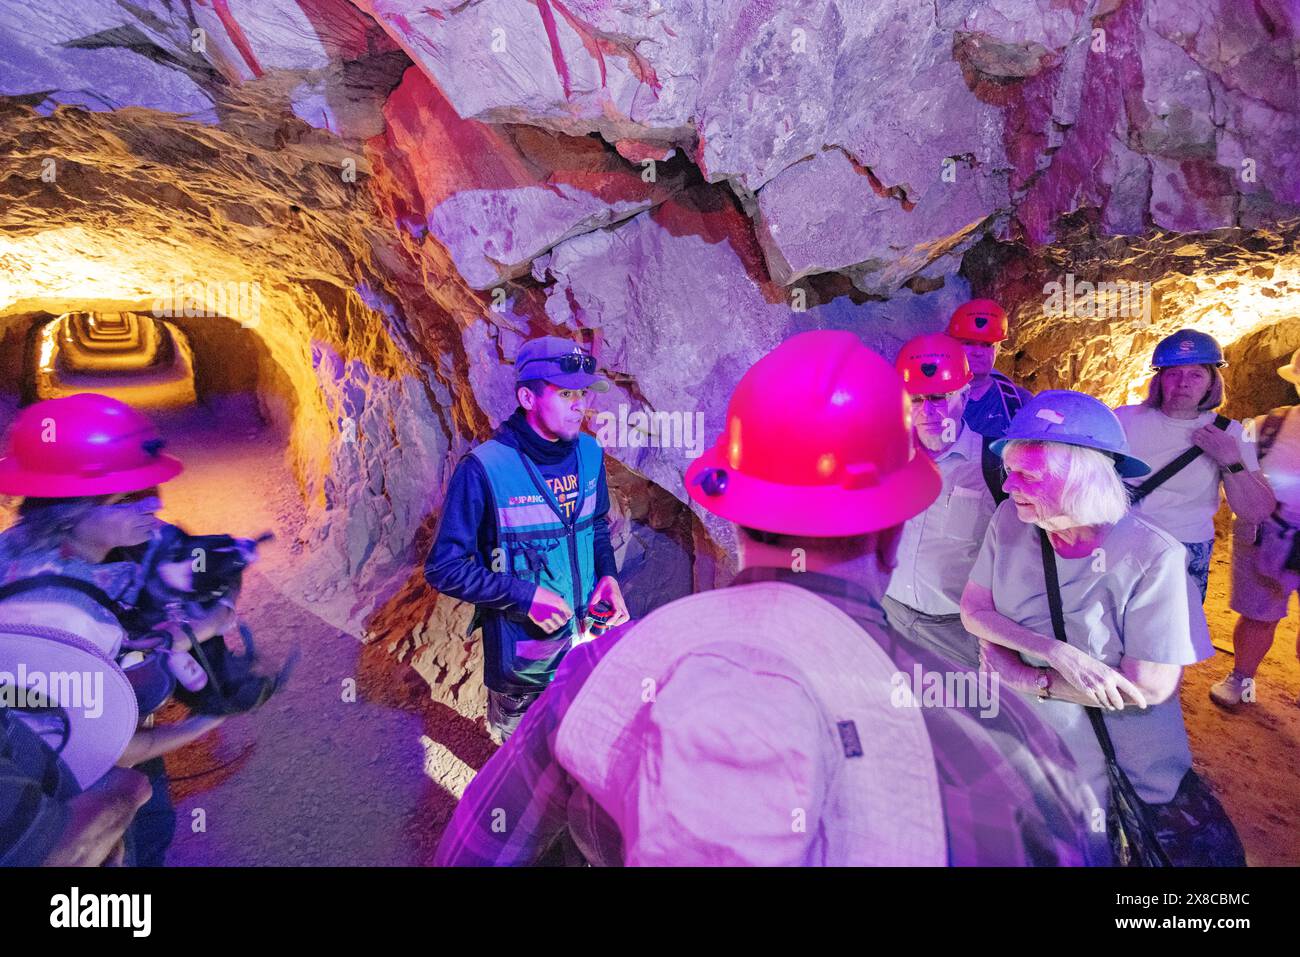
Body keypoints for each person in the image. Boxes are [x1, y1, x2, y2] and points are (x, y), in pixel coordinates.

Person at [436, 331, 1101, 867]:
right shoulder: (1017, 748)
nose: (581, 404)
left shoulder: (600, 677)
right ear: (895, 534)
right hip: (522, 650)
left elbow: (477, 848)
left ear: (734, 516)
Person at [961, 391, 1237, 865]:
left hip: (1113, 764)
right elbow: (974, 610)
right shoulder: (1012, 520)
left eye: (1028, 474)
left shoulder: (1154, 556)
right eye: (1010, 472)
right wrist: (1052, 651)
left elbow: (1147, 687)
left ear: (1081, 477)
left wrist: (1027, 678)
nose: (1009, 487)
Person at [0, 393, 245, 865]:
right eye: (129, 497)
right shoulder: (69, 617)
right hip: (72, 786)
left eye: (149, 489)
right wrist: (211, 718)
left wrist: (201, 626)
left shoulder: (19, 551)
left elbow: (110, 652)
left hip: (57, 730)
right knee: (144, 833)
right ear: (70, 511)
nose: (152, 505)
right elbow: (116, 753)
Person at [425, 337, 628, 742]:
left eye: (583, 392)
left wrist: (608, 576)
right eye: (566, 392)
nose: (580, 404)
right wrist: (525, 597)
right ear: (527, 397)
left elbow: (597, 526)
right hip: (524, 667)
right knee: (520, 776)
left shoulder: (590, 453)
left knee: (574, 758)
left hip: (584, 647)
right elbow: (444, 568)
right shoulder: (484, 468)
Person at [1114, 329, 1273, 602]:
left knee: (1176, 631)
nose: (1183, 383)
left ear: (1212, 382)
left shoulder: (1229, 433)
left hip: (1185, 546)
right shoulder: (1124, 419)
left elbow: (1257, 510)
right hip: (1123, 541)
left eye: (1196, 374)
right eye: (1173, 373)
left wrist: (1230, 460)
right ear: (1160, 379)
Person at [883, 333, 997, 669]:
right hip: (888, 615)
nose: (928, 412)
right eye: (915, 399)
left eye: (939, 397)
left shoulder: (994, 467)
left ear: (965, 394)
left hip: (956, 632)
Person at [1212, 346, 1300, 708]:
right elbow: (1235, 477)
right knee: (1258, 615)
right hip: (1267, 536)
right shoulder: (1267, 427)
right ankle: (1242, 677)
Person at [1, 707, 153, 866]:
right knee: (160, 821)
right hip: (102, 819)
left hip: (97, 810)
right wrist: (129, 794)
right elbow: (68, 853)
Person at [945, 298, 1032, 438]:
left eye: (986, 345)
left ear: (997, 350)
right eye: (969, 343)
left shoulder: (1019, 401)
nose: (978, 352)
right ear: (953, 345)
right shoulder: (932, 400)